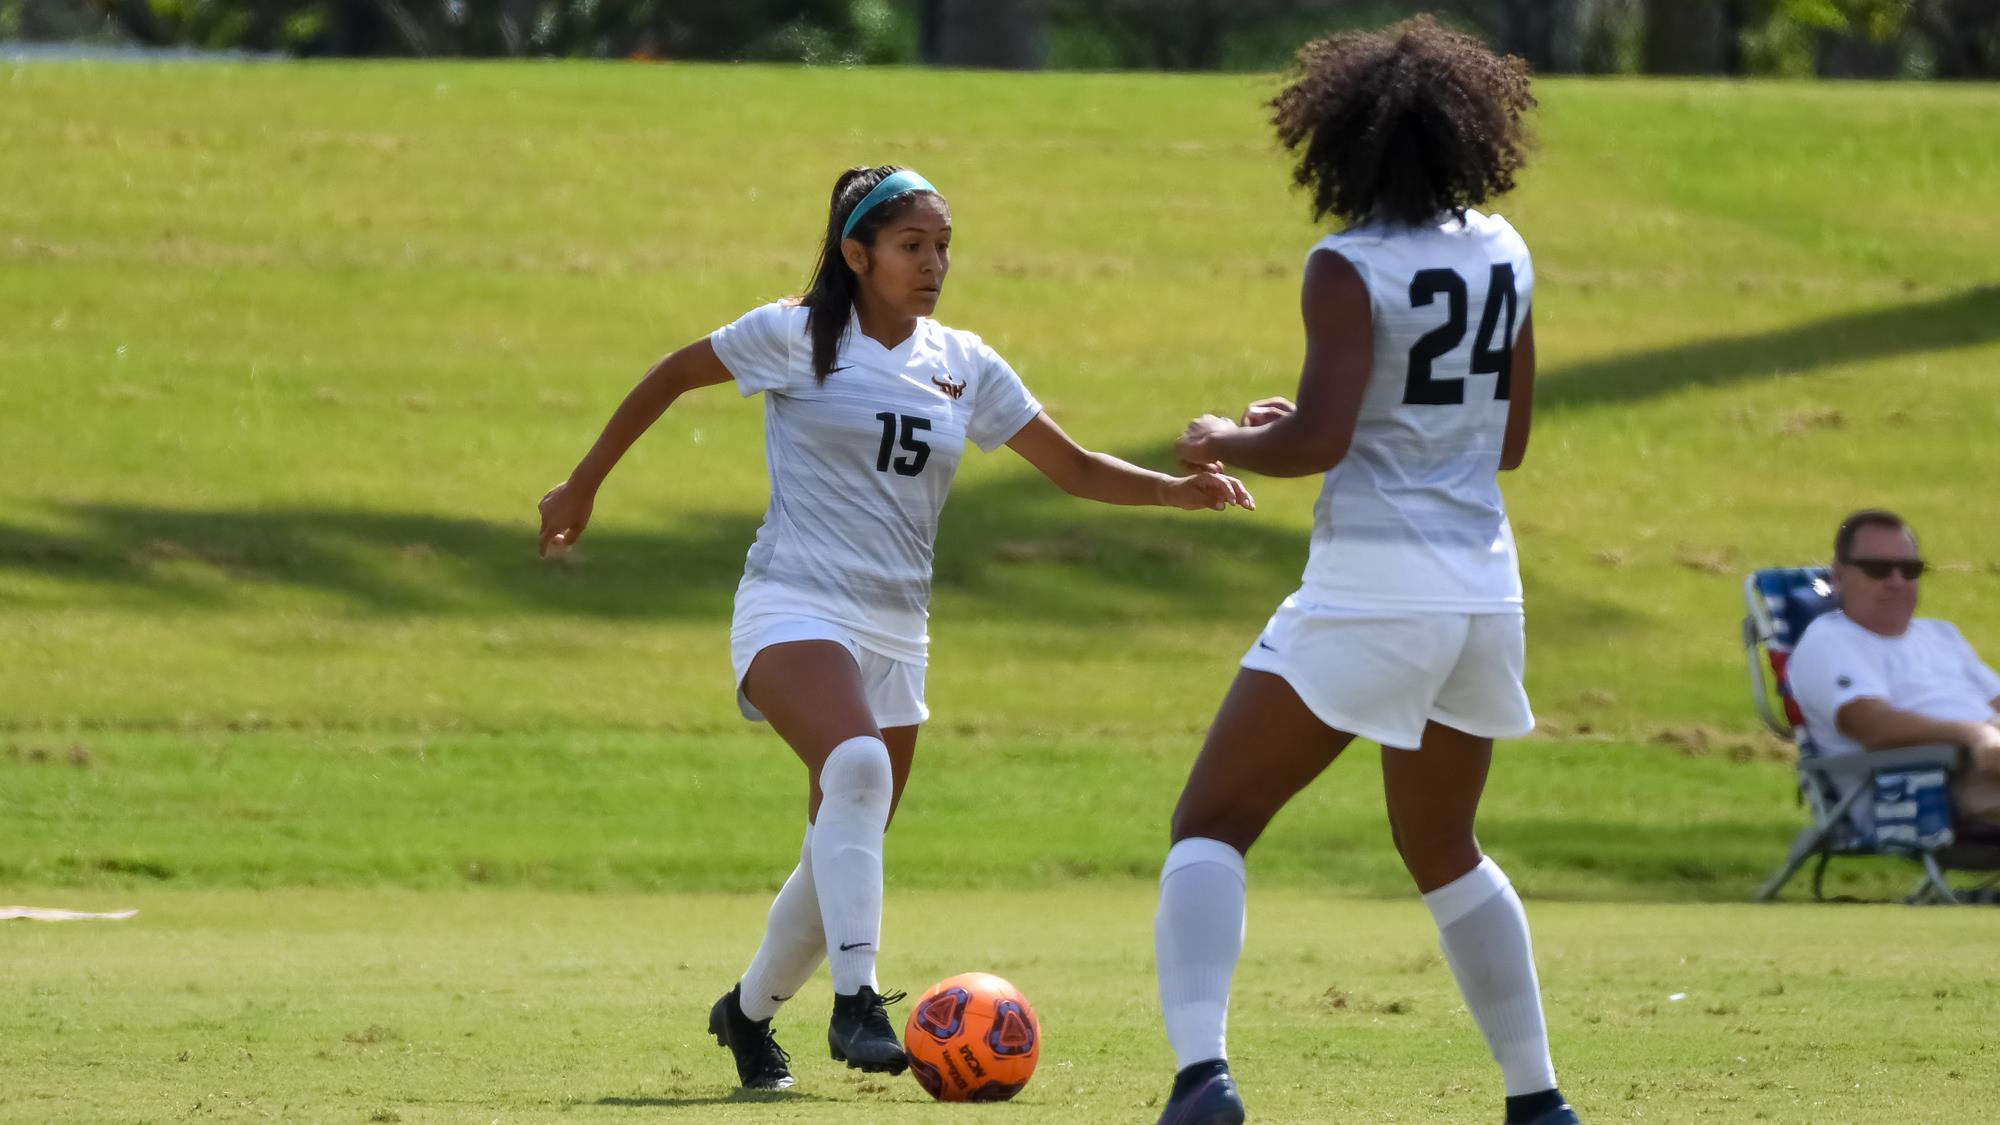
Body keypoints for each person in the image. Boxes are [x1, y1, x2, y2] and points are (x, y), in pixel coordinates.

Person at [535, 165, 1253, 1092]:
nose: (933, 264)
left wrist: (1174, 491)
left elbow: (1071, 466)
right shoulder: (794, 333)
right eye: (912, 246)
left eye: (943, 247)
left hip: (898, 635)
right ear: (857, 253)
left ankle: (746, 1013)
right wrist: (582, 483)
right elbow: (672, 375)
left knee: (837, 847)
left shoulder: (964, 362)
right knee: (860, 768)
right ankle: (858, 1002)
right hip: (792, 605)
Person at [1147, 19, 1576, 1125]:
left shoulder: (1346, 264)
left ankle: (1200, 1081)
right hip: (1483, 593)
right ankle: (1537, 1101)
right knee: (1443, 848)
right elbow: (1506, 439)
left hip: (1374, 588)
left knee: (1210, 821)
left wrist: (1224, 438)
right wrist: (1315, 422)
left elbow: (1319, 444)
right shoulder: (1505, 249)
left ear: (1339, 141)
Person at [1785, 509, 2000, 827]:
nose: (1896, 582)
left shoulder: (1940, 635)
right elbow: (1873, 726)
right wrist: (1977, 735)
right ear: (1839, 577)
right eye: (1878, 569)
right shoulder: (1829, 642)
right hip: (1924, 787)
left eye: (1910, 569)